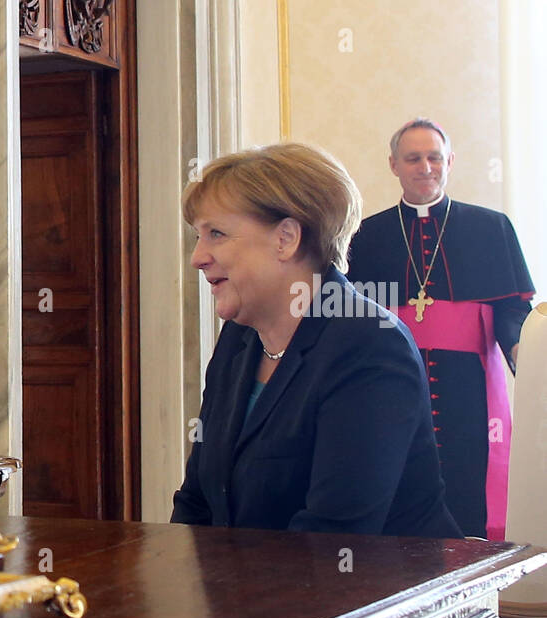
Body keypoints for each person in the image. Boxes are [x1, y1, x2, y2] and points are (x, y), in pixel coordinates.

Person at [171, 143, 461, 538]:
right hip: (246, 592)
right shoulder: (238, 340)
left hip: (374, 593)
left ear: (286, 238)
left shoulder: (370, 345)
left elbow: (334, 536)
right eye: (198, 236)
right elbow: (196, 502)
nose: (198, 257)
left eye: (216, 234)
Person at [347, 119, 535, 540]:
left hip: (468, 391)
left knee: (468, 485)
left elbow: (511, 311)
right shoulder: (367, 235)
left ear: (450, 161)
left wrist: (525, 355)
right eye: (413, 158)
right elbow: (351, 317)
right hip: (390, 384)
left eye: (434, 157)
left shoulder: (491, 228)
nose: (425, 167)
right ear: (394, 165)